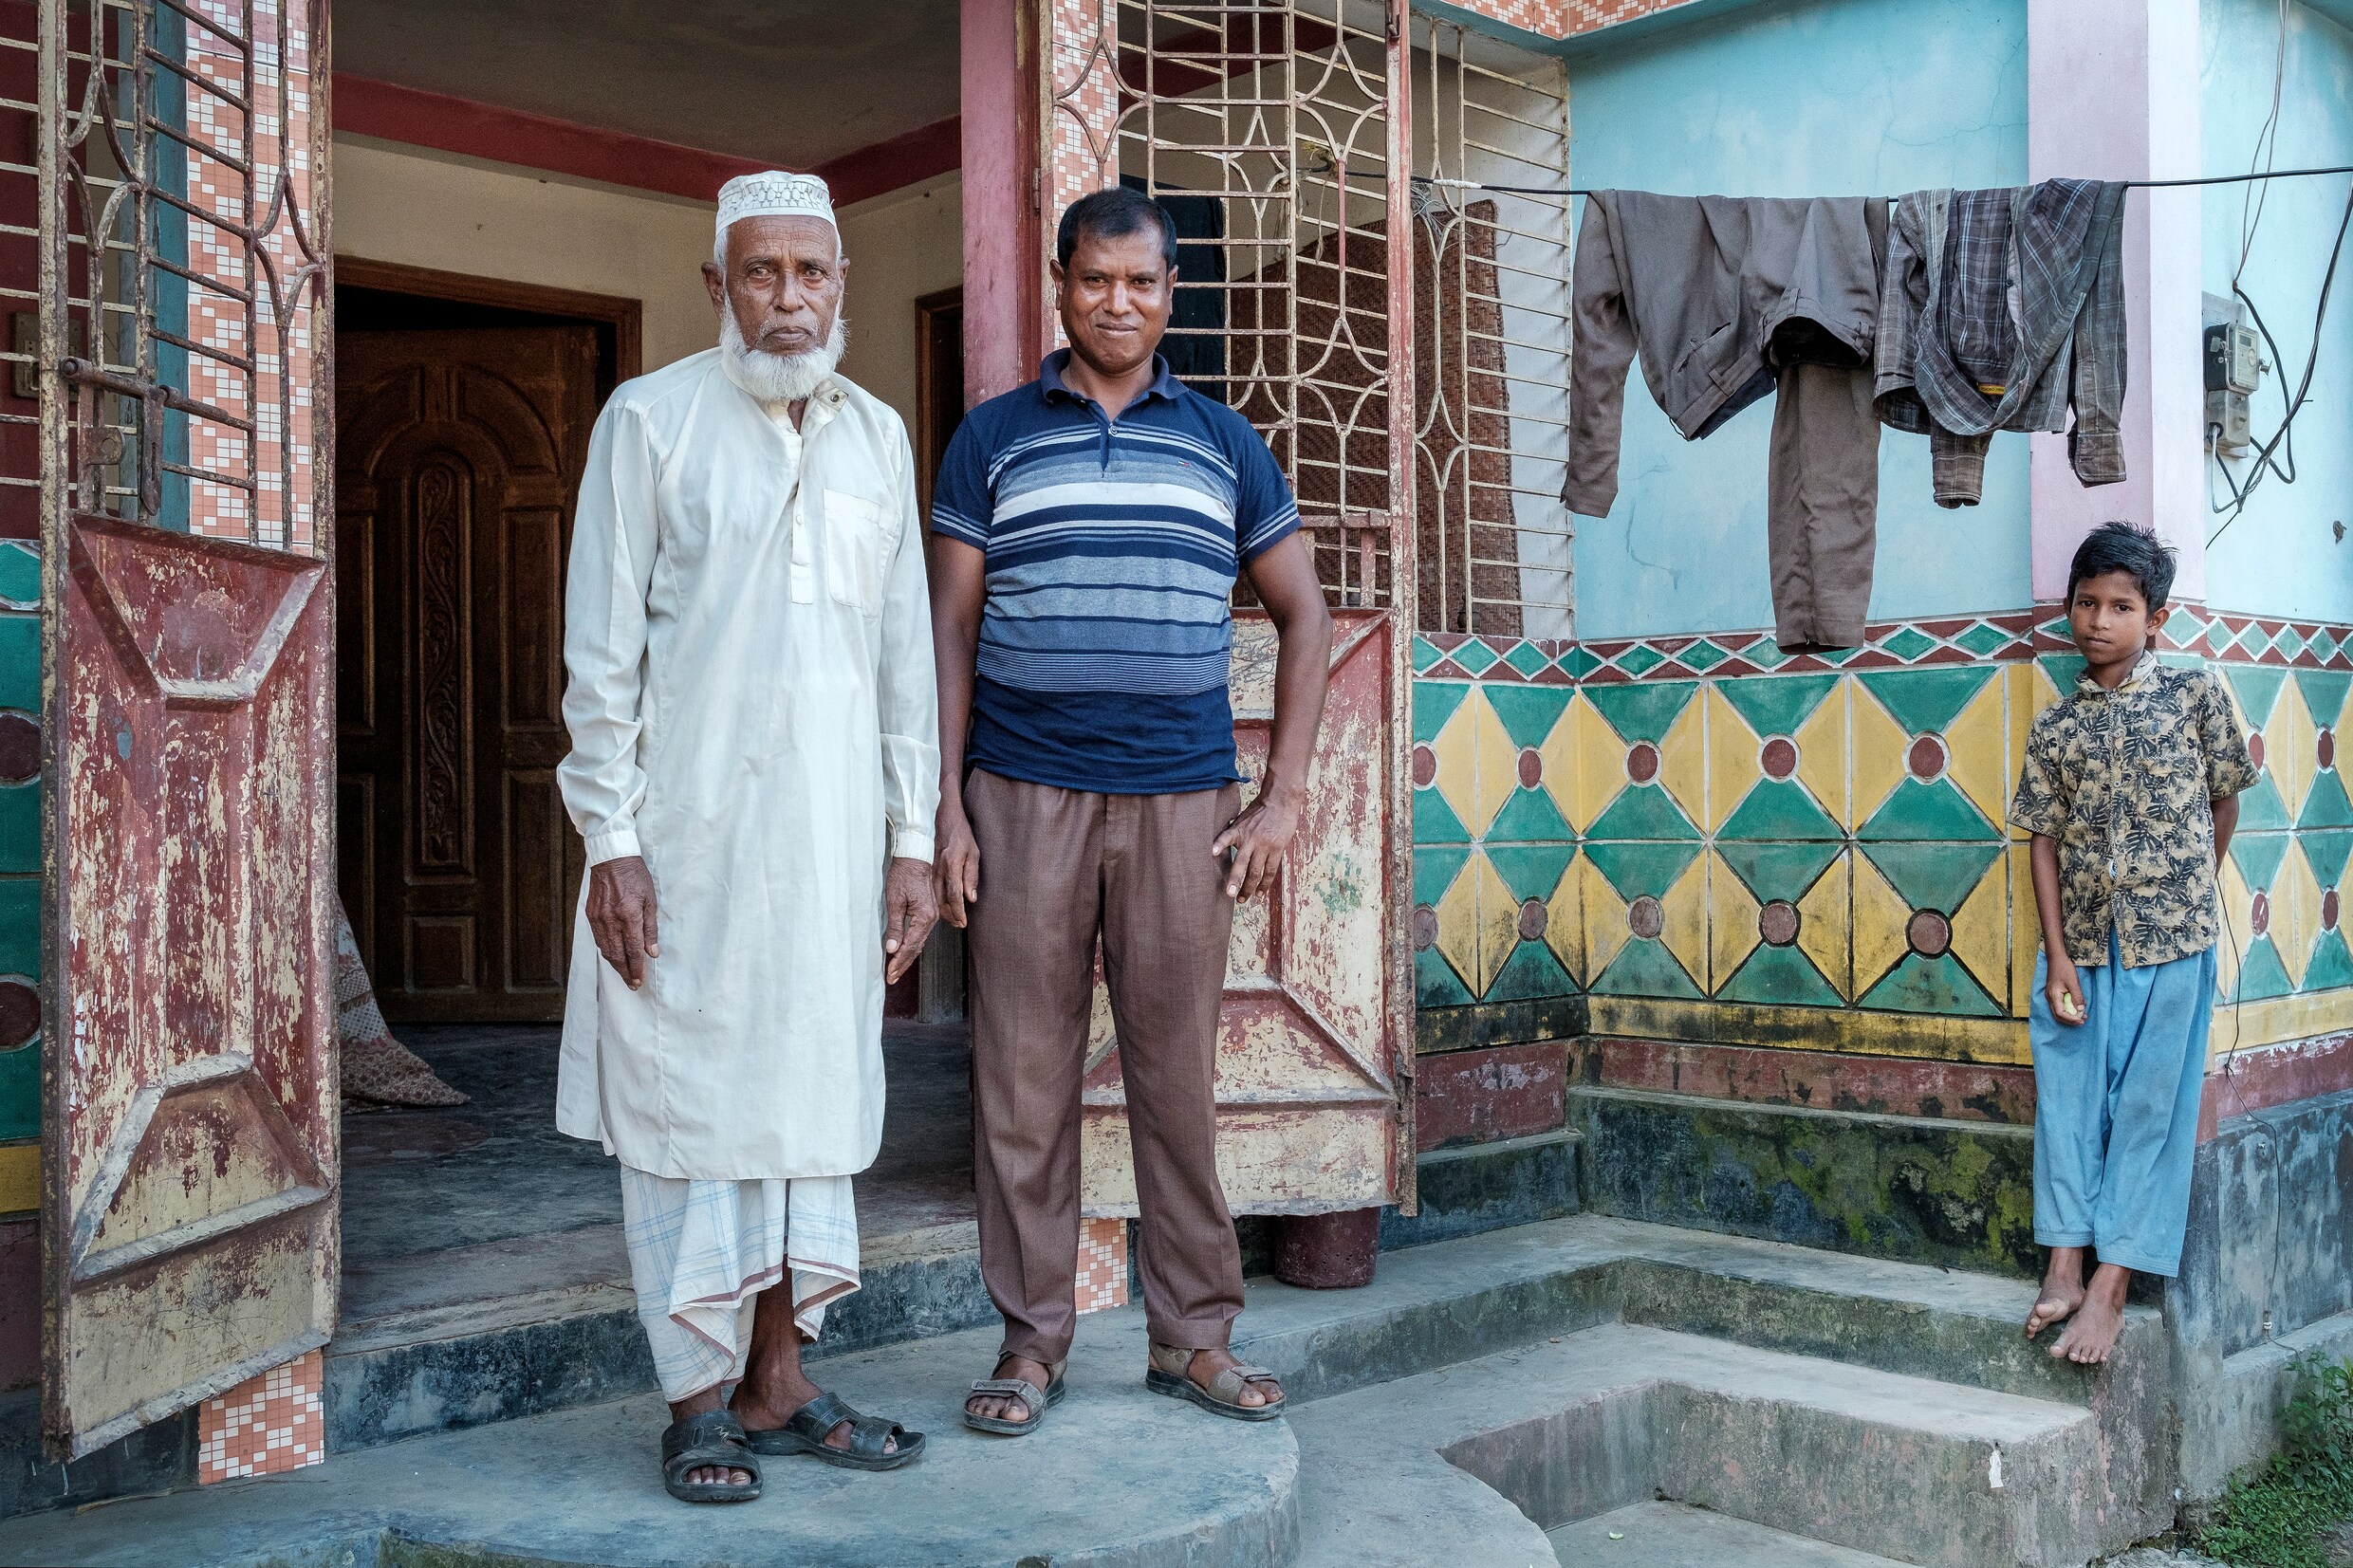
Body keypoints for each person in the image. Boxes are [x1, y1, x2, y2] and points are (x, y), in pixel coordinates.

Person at [557, 171, 938, 1502]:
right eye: (762, 272)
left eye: (811, 272)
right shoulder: (647, 420)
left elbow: (903, 661)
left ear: (840, 284)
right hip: (687, 840)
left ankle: (781, 1381)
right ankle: (696, 1402)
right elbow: (598, 656)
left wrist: (910, 839)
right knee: (689, 1114)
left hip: (830, 847)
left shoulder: (877, 436)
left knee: (806, 1107)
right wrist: (610, 839)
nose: (789, 299)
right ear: (718, 285)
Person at [930, 184, 1333, 1433]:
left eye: (1141, 283)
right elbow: (948, 629)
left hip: (1178, 803)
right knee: (1021, 1084)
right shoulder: (993, 439)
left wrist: (1282, 796)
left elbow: (1305, 614)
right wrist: (943, 807)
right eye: (1095, 280)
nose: (1118, 303)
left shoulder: (1222, 443)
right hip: (1021, 794)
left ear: (1170, 294)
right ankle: (1029, 1344)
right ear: (1061, 286)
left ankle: (1193, 1339)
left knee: (1175, 1085)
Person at [2010, 521, 2257, 1364]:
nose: (2099, 620)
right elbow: (2042, 840)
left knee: (2151, 1109)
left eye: (2121, 606)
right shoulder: (2056, 727)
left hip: (2173, 945)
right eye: (2087, 603)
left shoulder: (2194, 696)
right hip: (2079, 948)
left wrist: (2189, 890)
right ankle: (2064, 1263)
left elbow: (2225, 800)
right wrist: (2057, 954)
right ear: (2069, 609)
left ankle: (2112, 1285)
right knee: (2069, 1100)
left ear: (2155, 619)